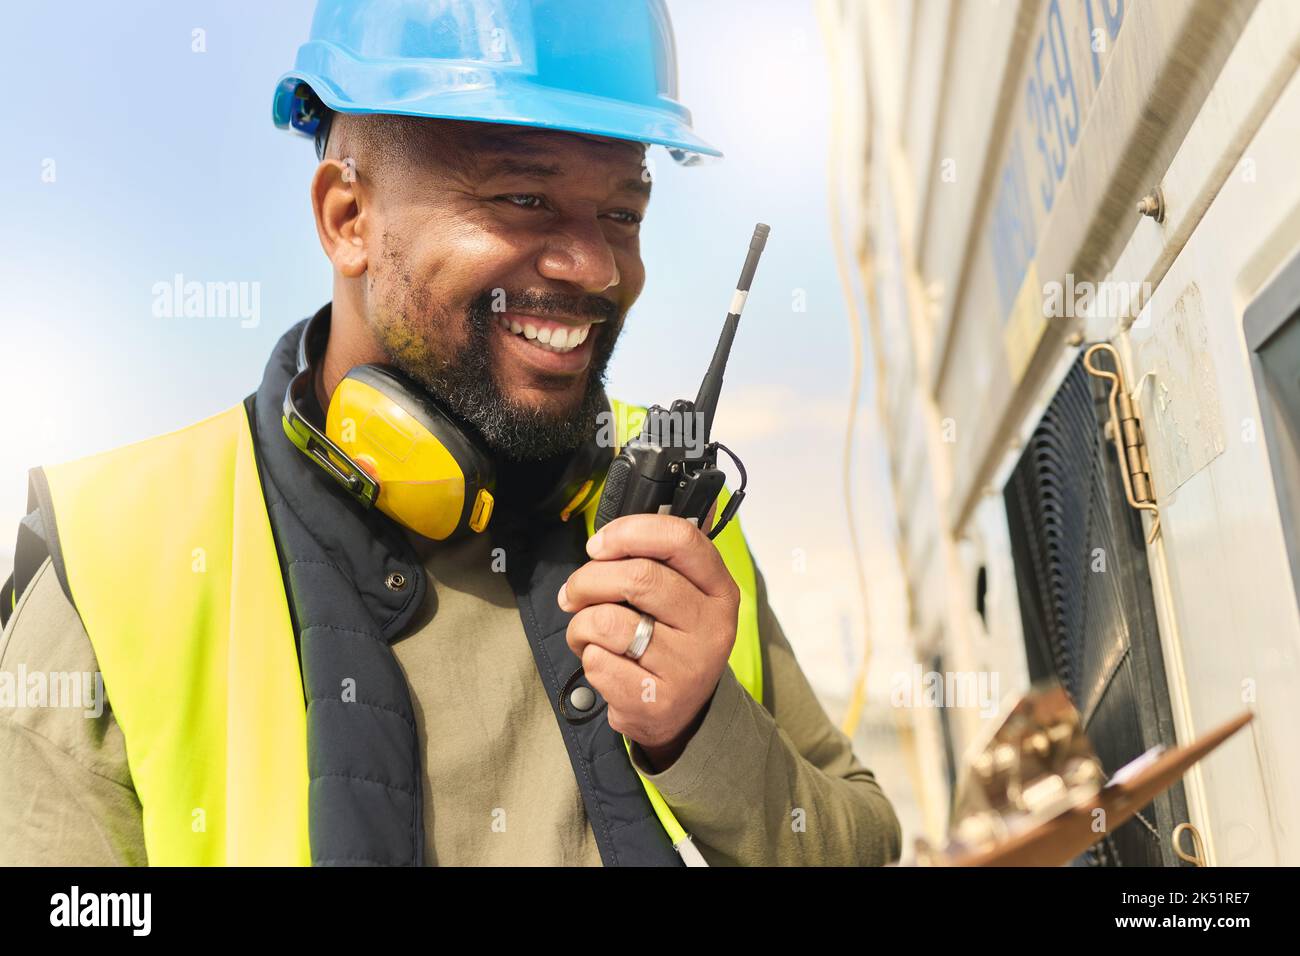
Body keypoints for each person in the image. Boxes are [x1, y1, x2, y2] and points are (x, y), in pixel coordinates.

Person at [0, 0, 901, 867]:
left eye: (623, 212)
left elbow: (857, 842)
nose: (593, 266)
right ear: (348, 218)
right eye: (521, 197)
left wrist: (700, 731)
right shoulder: (116, 557)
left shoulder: (664, 509)